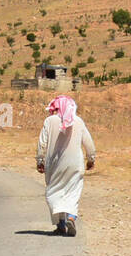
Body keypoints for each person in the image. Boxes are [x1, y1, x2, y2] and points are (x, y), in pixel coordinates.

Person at [35, 95, 96, 236]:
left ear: (55, 107)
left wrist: (40, 161)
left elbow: (42, 143)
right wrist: (91, 158)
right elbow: (89, 142)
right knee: (73, 191)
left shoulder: (49, 121)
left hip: (54, 164)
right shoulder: (79, 121)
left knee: (54, 192)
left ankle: (61, 225)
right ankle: (71, 217)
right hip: (75, 163)